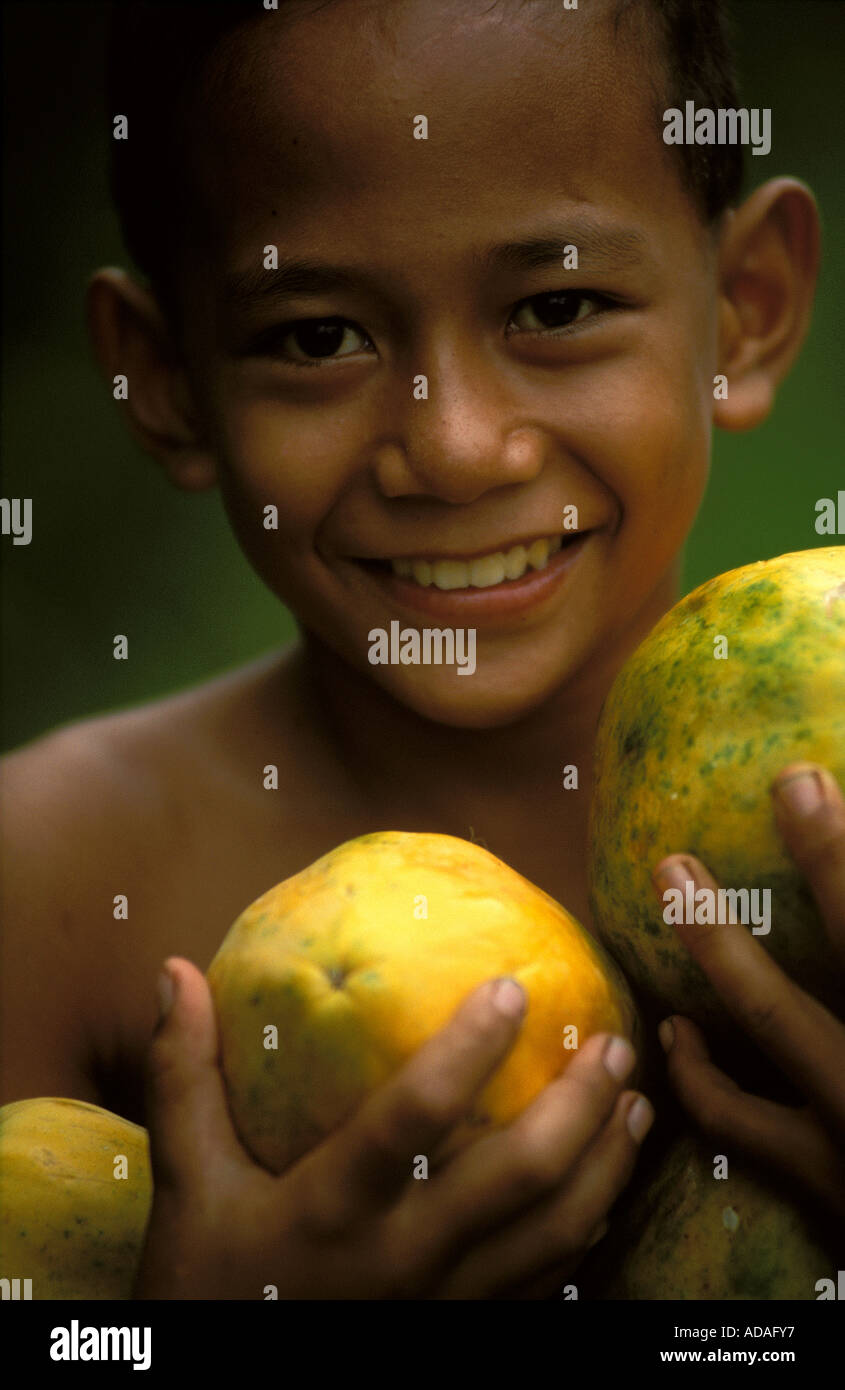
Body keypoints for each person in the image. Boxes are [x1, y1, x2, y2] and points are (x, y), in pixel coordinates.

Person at [1, 0, 841, 1298]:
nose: (453, 446)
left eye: (556, 305)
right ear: (164, 380)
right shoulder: (51, 874)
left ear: (746, 303)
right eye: (317, 336)